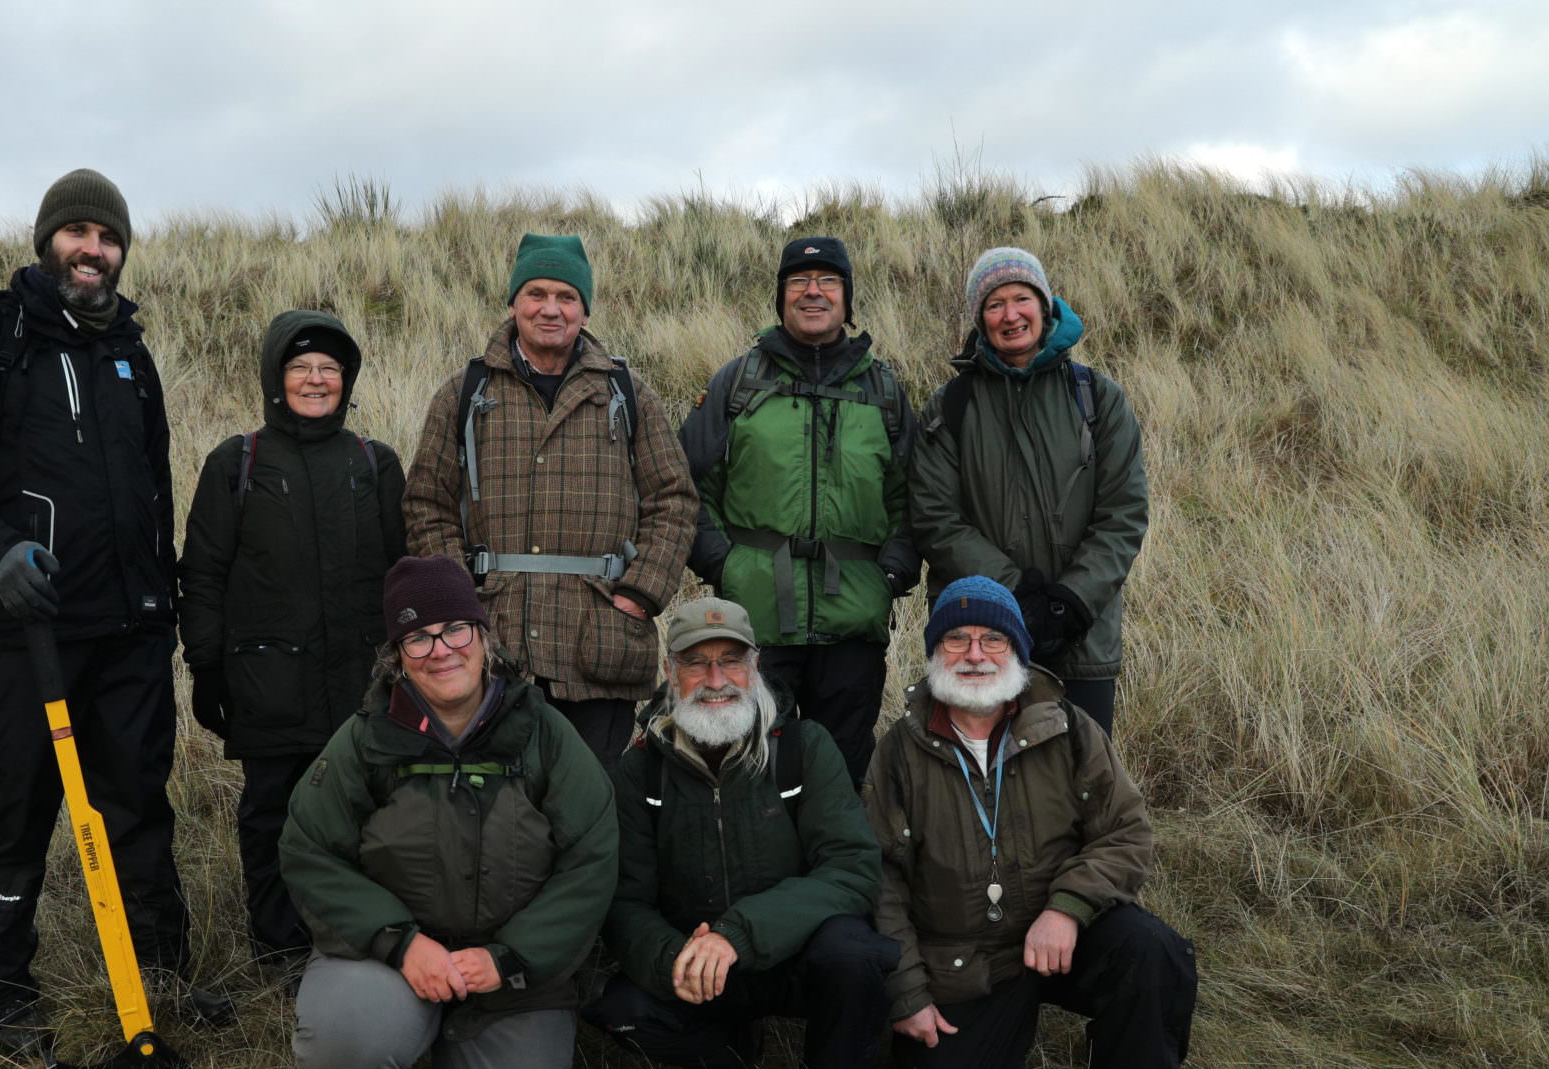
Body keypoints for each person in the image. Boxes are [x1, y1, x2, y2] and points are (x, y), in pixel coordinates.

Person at [0, 168, 228, 1056]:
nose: (94, 249)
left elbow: (154, 491)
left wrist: (169, 603)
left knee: (138, 805)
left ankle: (159, 971)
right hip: (28, 633)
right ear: (48, 241)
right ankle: (2, 994)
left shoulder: (132, 352)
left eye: (108, 236)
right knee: (15, 809)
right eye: (78, 232)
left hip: (133, 632)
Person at [279, 555, 617, 1069]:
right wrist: (402, 944)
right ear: (398, 654)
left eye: (456, 628)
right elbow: (308, 849)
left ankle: (465, 1060)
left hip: (516, 977)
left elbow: (593, 858)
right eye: (418, 636)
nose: (441, 650)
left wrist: (509, 957)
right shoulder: (365, 741)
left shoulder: (544, 733)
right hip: (395, 961)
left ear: (484, 634)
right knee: (347, 1042)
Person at [863, 576, 1196, 1069]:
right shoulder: (900, 750)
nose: (975, 653)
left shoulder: (1068, 728)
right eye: (956, 639)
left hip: (1061, 939)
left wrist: (1067, 907)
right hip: (966, 960)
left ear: (1017, 650)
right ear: (934, 654)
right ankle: (984, 1059)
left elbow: (1128, 832)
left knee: (1152, 954)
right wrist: (907, 992)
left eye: (992, 638)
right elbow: (880, 880)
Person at [585, 598, 898, 1069]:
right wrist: (673, 956)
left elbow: (853, 869)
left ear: (754, 666)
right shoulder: (639, 770)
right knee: (615, 1006)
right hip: (697, 967)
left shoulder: (804, 746)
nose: (717, 680)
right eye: (697, 664)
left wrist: (739, 934)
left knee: (857, 954)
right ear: (670, 673)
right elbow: (624, 904)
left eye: (732, 660)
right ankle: (726, 1059)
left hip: (791, 956)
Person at [402, 232, 698, 769]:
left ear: (584, 312)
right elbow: (427, 502)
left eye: (566, 297)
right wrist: (459, 600)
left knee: (591, 809)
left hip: (599, 644)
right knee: (493, 807)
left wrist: (639, 595)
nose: (550, 308)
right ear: (514, 303)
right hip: (493, 642)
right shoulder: (464, 393)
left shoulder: (627, 393)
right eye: (536, 293)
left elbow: (674, 499)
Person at [177, 310, 406, 970]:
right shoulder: (237, 462)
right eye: (300, 366)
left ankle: (364, 941)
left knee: (371, 813)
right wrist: (207, 666)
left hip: (364, 687)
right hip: (266, 685)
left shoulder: (374, 463)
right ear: (275, 377)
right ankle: (278, 949)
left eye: (329, 368)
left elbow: (403, 574)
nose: (315, 379)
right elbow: (204, 571)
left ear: (347, 379)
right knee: (272, 814)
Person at [679, 236, 919, 784]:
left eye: (828, 281)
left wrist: (892, 572)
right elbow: (684, 485)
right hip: (756, 622)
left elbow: (913, 496)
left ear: (847, 298)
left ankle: (842, 869)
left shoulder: (883, 389)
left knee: (843, 775)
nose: (813, 292)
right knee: (755, 771)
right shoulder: (737, 383)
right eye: (799, 282)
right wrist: (726, 566)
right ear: (782, 297)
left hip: (855, 621)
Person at [909, 247, 1148, 735]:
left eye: (1022, 298)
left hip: (1083, 639)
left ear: (1044, 305)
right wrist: (1013, 595)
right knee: (981, 783)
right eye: (995, 305)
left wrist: (1071, 603)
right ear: (981, 318)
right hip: (980, 635)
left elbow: (1123, 512)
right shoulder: (951, 405)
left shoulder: (1098, 398)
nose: (1011, 315)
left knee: (1080, 785)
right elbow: (935, 516)